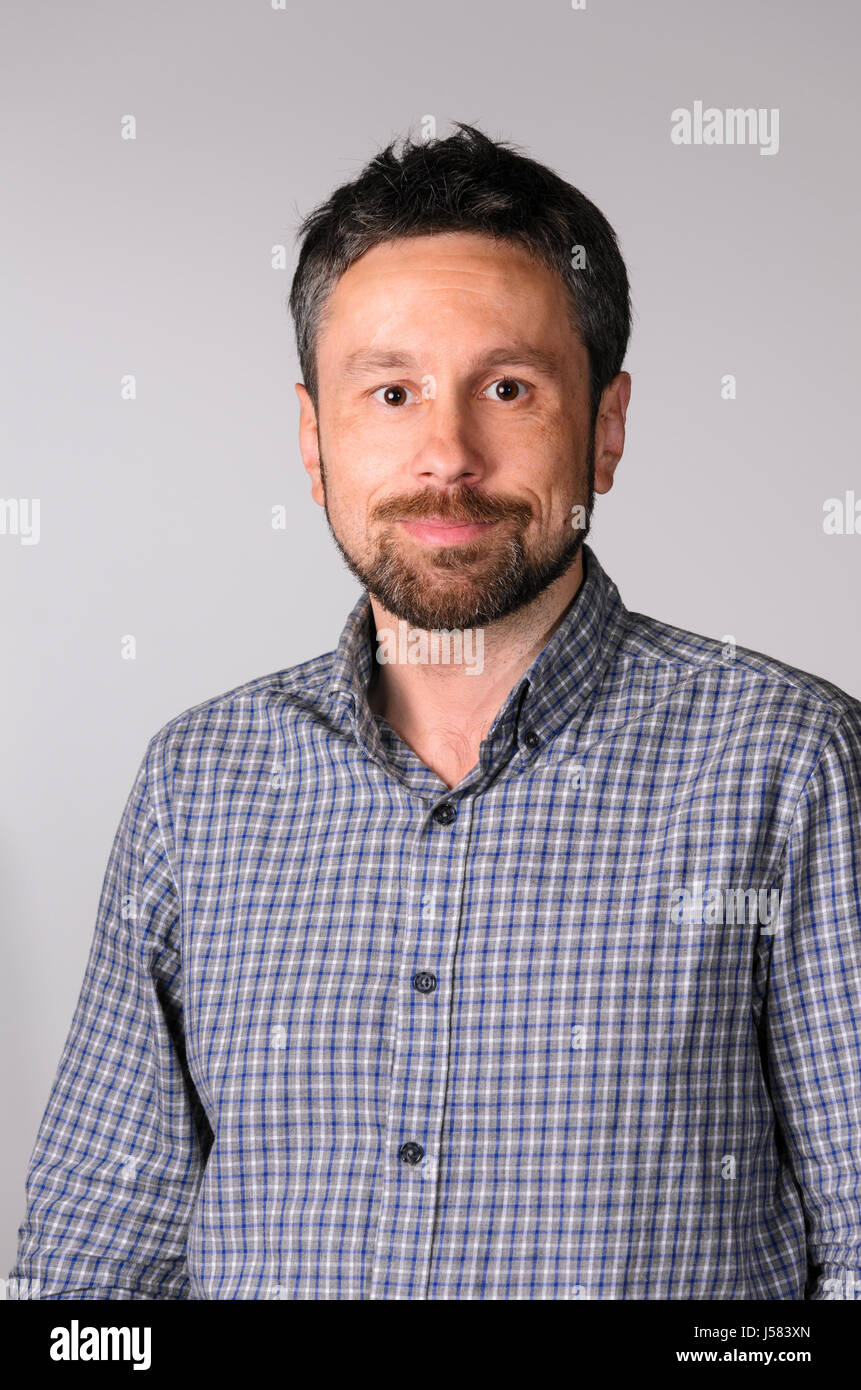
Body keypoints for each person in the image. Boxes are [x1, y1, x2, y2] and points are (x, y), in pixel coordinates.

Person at [11, 123, 861, 1300]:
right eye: (392, 391)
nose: (446, 455)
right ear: (315, 439)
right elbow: (93, 1265)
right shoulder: (196, 781)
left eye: (507, 388)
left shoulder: (788, 761)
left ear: (604, 428)